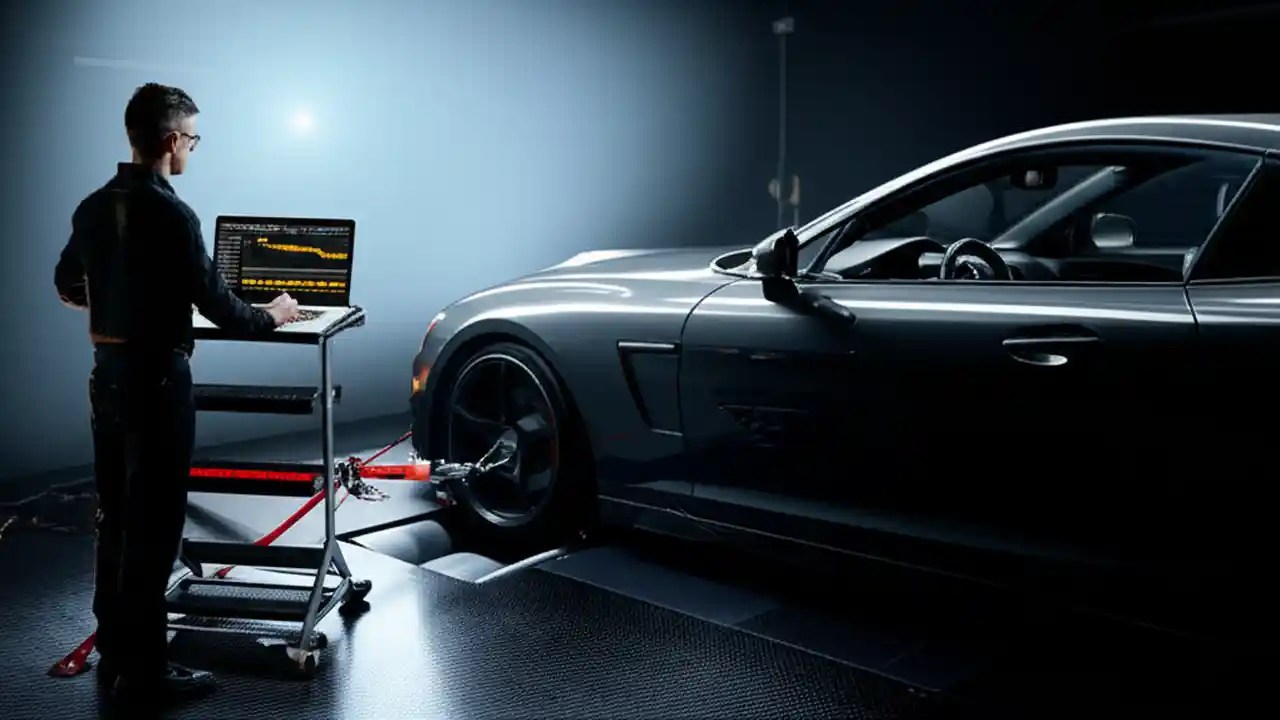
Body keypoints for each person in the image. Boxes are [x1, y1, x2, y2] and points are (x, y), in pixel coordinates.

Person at [53, 83, 300, 704]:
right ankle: (147, 675)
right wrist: (276, 311)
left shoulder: (92, 206)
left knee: (114, 522)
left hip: (105, 380)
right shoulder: (172, 214)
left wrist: (113, 297)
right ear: (170, 140)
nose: (192, 147)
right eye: (191, 137)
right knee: (157, 527)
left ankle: (116, 657)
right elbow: (226, 310)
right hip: (159, 383)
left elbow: (65, 282)